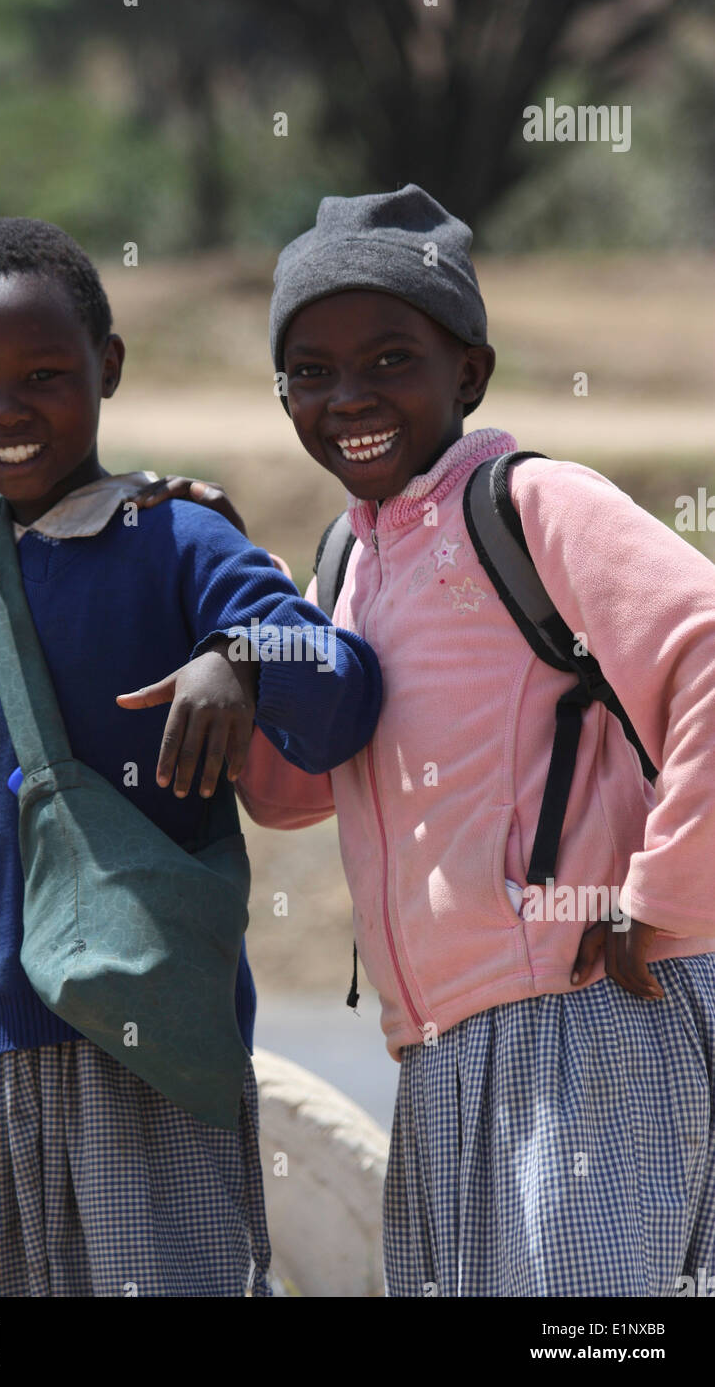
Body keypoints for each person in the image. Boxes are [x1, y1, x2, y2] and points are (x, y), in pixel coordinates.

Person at [0, 216, 382, 1298]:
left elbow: (342, 683)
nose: (3, 409)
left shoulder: (177, 540)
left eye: (43, 373)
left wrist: (236, 655)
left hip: (152, 1055)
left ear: (111, 366)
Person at [218, 184, 715, 1296]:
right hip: (439, 1050)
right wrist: (218, 610)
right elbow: (297, 790)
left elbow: (706, 658)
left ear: (468, 374)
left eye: (390, 358)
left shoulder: (529, 505)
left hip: (588, 1015)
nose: (348, 395)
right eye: (311, 370)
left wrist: (666, 894)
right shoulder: (341, 570)